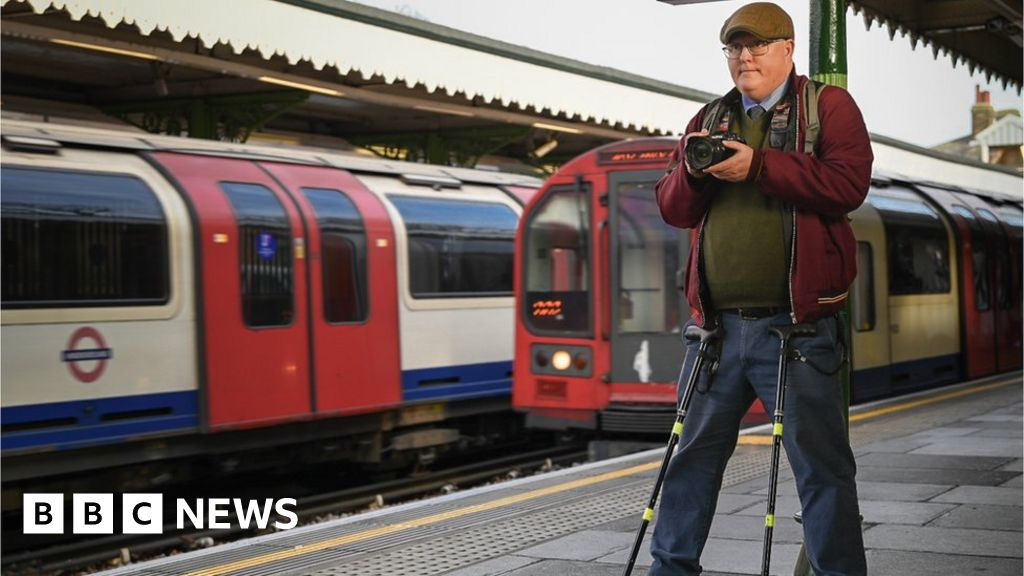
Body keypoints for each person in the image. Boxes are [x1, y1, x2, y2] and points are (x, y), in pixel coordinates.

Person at [649, 2, 872, 575]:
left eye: (757, 46)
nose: (744, 57)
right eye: (734, 48)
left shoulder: (827, 107)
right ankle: (670, 569)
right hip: (716, 334)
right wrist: (693, 172)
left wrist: (758, 167)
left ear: (788, 50)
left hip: (795, 330)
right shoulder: (710, 117)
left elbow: (848, 185)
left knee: (821, 468)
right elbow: (673, 209)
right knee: (690, 461)